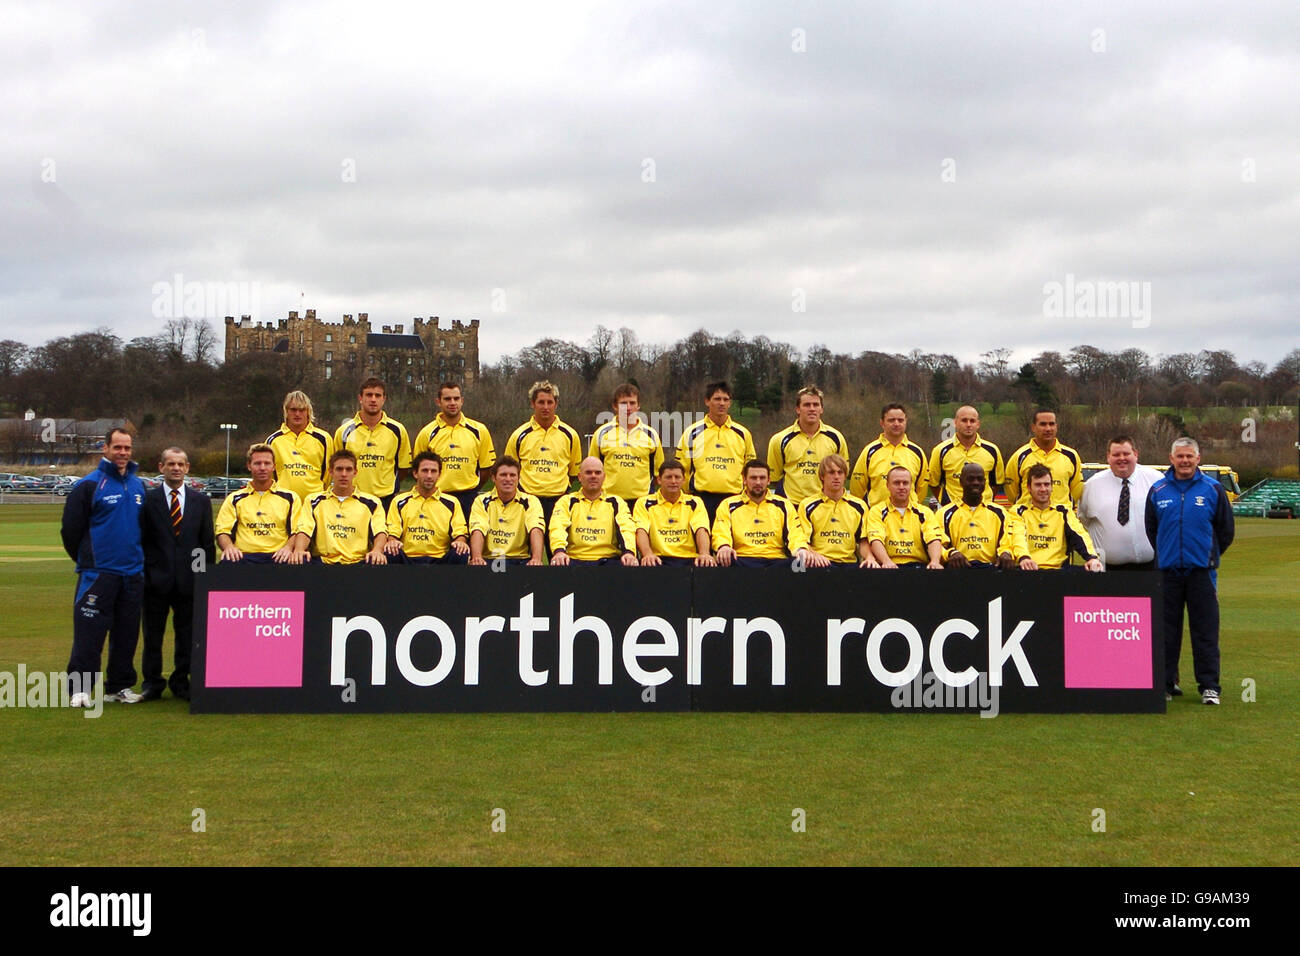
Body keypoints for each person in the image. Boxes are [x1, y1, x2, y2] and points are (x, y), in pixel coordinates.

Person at [60, 427, 147, 705]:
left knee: (126, 634)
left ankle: (118, 687)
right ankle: (80, 690)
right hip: (99, 574)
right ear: (105, 449)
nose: (123, 453)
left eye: (127, 448)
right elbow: (71, 532)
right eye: (117, 448)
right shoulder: (88, 485)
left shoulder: (138, 486)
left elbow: (143, 530)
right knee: (89, 634)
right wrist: (89, 562)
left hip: (132, 574)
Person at [1146, 438, 1234, 706]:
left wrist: (1207, 556)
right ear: (1171, 459)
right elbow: (1153, 530)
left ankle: (1209, 686)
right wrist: (1167, 553)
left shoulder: (1213, 489)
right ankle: (1165, 684)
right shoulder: (1158, 490)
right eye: (1180, 456)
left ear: (1199, 458)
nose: (1184, 461)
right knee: (1165, 632)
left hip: (1202, 574)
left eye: (1189, 456)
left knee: (1205, 631)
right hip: (1168, 573)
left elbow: (1225, 531)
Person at [139, 447, 214, 701]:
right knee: (152, 637)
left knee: (187, 637)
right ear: (161, 467)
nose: (176, 468)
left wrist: (201, 579)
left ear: (187, 467)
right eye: (170, 464)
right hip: (155, 582)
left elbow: (206, 544)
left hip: (188, 582)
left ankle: (181, 682)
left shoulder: (200, 501)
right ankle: (152, 682)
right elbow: (142, 540)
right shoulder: (148, 500)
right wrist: (147, 574)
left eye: (180, 464)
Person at [504, 380, 583, 536]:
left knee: (557, 554)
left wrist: (560, 489)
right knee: (529, 555)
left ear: (556, 404)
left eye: (549, 402)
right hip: (527, 502)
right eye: (541, 402)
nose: (545, 407)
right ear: (533, 404)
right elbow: (508, 470)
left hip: (559, 502)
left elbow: (574, 473)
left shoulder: (570, 435)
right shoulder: (519, 435)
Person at [411, 381, 496, 522]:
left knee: (467, 542)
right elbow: (418, 469)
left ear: (462, 401)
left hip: (469, 499)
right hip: (438, 498)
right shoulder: (427, 433)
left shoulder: (479, 430)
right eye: (447, 399)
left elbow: (486, 468)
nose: (452, 403)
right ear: (438, 402)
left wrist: (472, 487)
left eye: (456, 399)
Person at [676, 381, 757, 525]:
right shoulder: (692, 433)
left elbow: (750, 469)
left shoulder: (743, 434)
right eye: (717, 399)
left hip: (734, 499)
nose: (722, 403)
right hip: (701, 499)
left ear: (730, 403)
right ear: (707, 401)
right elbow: (682, 469)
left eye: (726, 399)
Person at [1078, 435, 1163, 571]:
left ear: (1135, 454)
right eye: (1116, 454)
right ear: (1108, 457)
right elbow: (1083, 520)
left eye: (1126, 453)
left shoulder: (1156, 480)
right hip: (1107, 569)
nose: (1121, 458)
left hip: (1151, 568)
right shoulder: (1092, 485)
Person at [294, 450, 389, 565]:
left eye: (348, 469)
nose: (344, 474)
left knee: (379, 560)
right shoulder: (313, 500)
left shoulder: (372, 502)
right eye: (339, 469)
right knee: (298, 559)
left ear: (355, 472)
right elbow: (304, 530)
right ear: (330, 472)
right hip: (323, 562)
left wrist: (377, 550)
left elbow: (380, 532)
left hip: (359, 562)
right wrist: (299, 550)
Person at [712, 460, 811, 568]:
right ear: (744, 480)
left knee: (802, 563)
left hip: (776, 560)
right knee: (724, 560)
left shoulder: (784, 505)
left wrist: (800, 549)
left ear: (769, 480)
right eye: (753, 478)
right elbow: (720, 532)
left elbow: (795, 533)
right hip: (742, 559)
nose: (758, 482)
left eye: (762, 478)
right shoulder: (728, 505)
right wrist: (724, 546)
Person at [215, 444, 304, 564]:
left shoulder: (290, 498)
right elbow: (222, 531)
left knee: (301, 562)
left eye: (267, 463)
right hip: (243, 557)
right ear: (249, 466)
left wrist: (288, 548)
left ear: (274, 467)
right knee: (227, 561)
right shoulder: (234, 498)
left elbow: (297, 531)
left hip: (278, 556)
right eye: (257, 463)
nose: (262, 468)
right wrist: (229, 547)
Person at [333, 377, 412, 511]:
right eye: (369, 395)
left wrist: (388, 485)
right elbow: (336, 466)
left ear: (384, 399)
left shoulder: (397, 430)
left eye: (377, 395)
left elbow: (403, 467)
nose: (373, 399)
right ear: (360, 398)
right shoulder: (344, 431)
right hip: (353, 499)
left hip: (386, 500)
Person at [767, 385, 849, 505]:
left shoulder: (836, 438)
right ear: (798, 409)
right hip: (792, 506)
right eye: (806, 405)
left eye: (816, 405)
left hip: (825, 506)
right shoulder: (779, 439)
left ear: (822, 409)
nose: (812, 409)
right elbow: (774, 478)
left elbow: (842, 473)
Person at [549, 457, 639, 566]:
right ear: (580, 477)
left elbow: (627, 528)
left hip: (608, 560)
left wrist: (628, 552)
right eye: (588, 473)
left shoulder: (616, 502)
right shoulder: (566, 501)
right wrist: (559, 551)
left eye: (597, 473)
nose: (593, 476)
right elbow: (557, 527)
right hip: (574, 559)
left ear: (604, 477)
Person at [384, 451, 469, 564]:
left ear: (439, 474)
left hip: (440, 560)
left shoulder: (452, 502)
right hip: (408, 559)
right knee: (390, 551)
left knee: (461, 552)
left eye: (433, 471)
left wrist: (460, 542)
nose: (429, 476)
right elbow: (393, 533)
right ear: (415, 473)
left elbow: (460, 533)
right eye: (424, 471)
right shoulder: (399, 501)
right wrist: (392, 542)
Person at [1014, 464, 1102, 571]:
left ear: (1052, 487)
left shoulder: (1063, 512)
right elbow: (1017, 537)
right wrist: (1024, 558)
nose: (1043, 489)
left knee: (1095, 570)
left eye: (1047, 484)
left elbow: (1080, 534)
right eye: (1038, 485)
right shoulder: (1018, 511)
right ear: (1029, 488)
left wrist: (1091, 557)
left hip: (1059, 571)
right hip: (1028, 569)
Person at [591, 383, 665, 509]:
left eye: (632, 403)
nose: (628, 408)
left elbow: (660, 474)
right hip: (608, 501)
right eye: (624, 403)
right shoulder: (601, 434)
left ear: (638, 405)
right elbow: (592, 470)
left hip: (642, 503)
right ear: (615, 406)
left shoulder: (650, 435)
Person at [940, 463, 1027, 569]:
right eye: (970, 479)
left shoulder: (1000, 512)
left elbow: (1007, 542)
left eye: (980, 479)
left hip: (990, 571)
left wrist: (1006, 553)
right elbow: (936, 546)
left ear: (985, 482)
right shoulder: (944, 513)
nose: (976, 483)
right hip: (958, 571)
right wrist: (951, 553)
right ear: (961, 482)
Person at [633, 459, 714, 566]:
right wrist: (647, 554)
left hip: (688, 558)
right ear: (659, 480)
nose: (673, 481)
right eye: (668, 477)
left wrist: (704, 553)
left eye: (677, 477)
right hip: (657, 559)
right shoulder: (644, 503)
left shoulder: (695, 502)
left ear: (684, 479)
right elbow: (641, 531)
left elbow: (701, 529)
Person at [920, 404, 1005, 507]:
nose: (968, 424)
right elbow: (934, 484)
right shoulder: (940, 450)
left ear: (978, 424)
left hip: (984, 511)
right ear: (955, 423)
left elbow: (997, 483)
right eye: (964, 420)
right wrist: (947, 503)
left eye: (972, 421)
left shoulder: (992, 450)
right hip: (952, 511)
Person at [467, 456, 545, 566]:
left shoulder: (531, 501)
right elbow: (477, 529)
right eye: (503, 475)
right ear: (493, 478)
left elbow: (536, 529)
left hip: (520, 559)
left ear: (518, 478)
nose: (508, 479)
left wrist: (537, 559)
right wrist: (477, 558)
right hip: (489, 559)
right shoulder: (481, 501)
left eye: (512, 475)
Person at [796, 453, 869, 567]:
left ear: (845, 476)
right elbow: (802, 541)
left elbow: (863, 540)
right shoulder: (807, 505)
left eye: (840, 472)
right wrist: (814, 554)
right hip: (819, 563)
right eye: (831, 472)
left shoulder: (859, 506)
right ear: (822, 476)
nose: (836, 476)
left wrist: (869, 557)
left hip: (849, 564)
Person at [865, 466, 944, 570]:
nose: (901, 487)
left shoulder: (925, 512)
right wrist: (886, 561)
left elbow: (933, 539)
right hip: (888, 566)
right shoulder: (877, 511)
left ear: (911, 485)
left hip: (918, 566)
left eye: (905, 483)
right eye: (896, 483)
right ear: (887, 485)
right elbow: (875, 539)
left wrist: (935, 561)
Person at [849, 403, 927, 507]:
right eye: (891, 420)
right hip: (878, 518)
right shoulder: (869, 452)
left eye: (900, 420)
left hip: (909, 518)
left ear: (906, 422)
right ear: (882, 423)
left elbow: (922, 489)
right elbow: (857, 489)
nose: (896, 424)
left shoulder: (917, 453)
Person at [1005, 409, 1083, 508]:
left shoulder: (1071, 456)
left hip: (1060, 519)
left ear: (1056, 427)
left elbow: (1076, 489)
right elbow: (1011, 492)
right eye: (1043, 424)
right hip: (1027, 519)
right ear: (1033, 427)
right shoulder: (1019, 456)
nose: (1048, 428)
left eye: (1051, 424)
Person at [265, 390, 334, 501]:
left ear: (308, 412)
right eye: (293, 410)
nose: (297, 414)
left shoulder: (324, 439)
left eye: (302, 410)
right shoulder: (273, 440)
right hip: (283, 503)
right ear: (286, 411)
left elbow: (328, 473)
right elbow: (269, 475)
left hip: (314, 502)